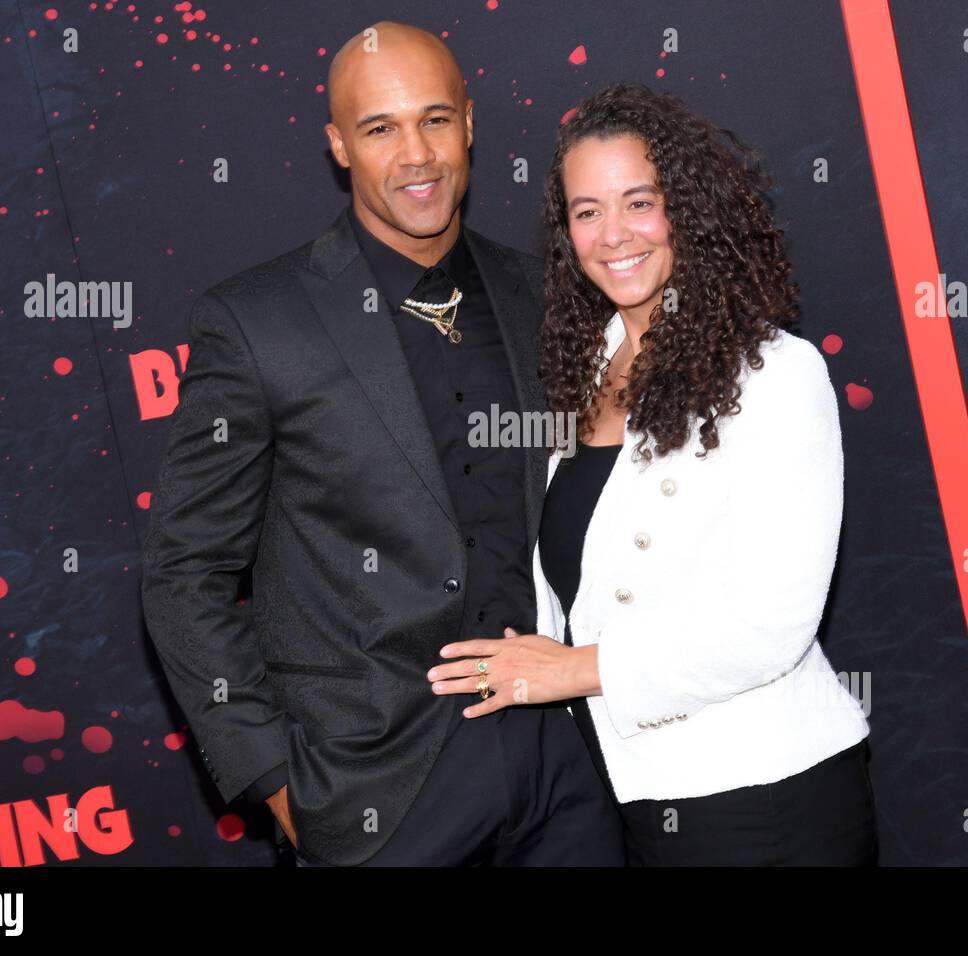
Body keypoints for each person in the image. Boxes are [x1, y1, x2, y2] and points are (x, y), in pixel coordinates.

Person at [141, 21, 623, 866]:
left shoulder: (542, 294)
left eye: (435, 119)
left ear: (470, 123)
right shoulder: (259, 322)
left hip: (566, 773)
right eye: (380, 128)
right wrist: (281, 788)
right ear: (338, 146)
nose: (417, 155)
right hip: (378, 794)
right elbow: (183, 573)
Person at [426, 83, 878, 865]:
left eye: (640, 202)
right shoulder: (581, 369)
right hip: (630, 796)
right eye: (587, 211)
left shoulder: (775, 373)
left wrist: (570, 672)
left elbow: (773, 623)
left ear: (688, 211)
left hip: (767, 798)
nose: (614, 235)